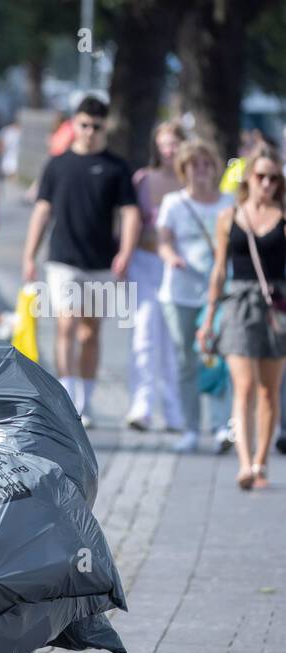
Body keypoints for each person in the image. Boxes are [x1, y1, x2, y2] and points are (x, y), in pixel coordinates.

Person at [22, 95, 141, 427]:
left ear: (105, 127)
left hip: (101, 261)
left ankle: (85, 403)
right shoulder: (57, 164)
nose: (89, 131)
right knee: (66, 325)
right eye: (84, 124)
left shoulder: (117, 168)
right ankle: (67, 398)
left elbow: (131, 214)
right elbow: (42, 210)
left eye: (96, 126)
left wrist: (126, 252)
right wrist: (29, 254)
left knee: (90, 333)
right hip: (63, 260)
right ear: (74, 124)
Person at [201, 144, 286, 489]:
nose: (266, 183)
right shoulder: (228, 216)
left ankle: (261, 463)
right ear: (249, 177)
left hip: (275, 305)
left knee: (269, 391)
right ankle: (244, 464)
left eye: (273, 178)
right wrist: (209, 317)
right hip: (237, 302)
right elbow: (219, 270)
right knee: (244, 386)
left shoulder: (283, 217)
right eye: (261, 176)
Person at [157, 139, 235, 454]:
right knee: (186, 361)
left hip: (218, 293)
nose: (201, 171)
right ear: (183, 169)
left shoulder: (228, 202)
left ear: (215, 168)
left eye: (206, 164)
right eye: (194, 165)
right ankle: (191, 428)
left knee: (216, 359)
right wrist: (171, 256)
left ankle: (220, 426)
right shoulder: (173, 203)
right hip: (179, 293)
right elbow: (163, 240)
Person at [125, 121, 186, 433]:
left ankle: (175, 410)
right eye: (163, 144)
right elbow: (131, 222)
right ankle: (142, 405)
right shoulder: (143, 179)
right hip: (145, 260)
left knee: (174, 339)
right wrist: (123, 257)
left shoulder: (189, 180)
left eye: (174, 143)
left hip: (177, 266)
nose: (168, 150)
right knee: (145, 333)